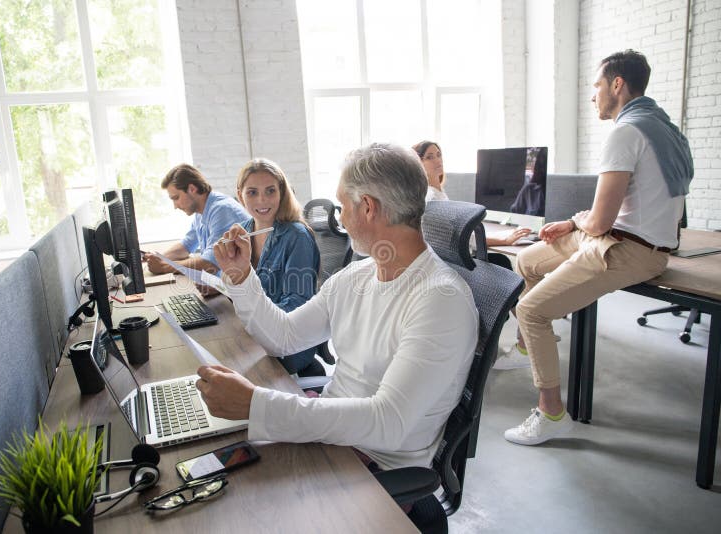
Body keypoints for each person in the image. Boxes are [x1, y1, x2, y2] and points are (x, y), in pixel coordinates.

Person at [195, 143, 479, 471]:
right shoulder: (355, 276)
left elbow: (387, 423)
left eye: (342, 206)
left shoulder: (440, 302)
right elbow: (283, 337)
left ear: (368, 207)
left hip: (373, 470)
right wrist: (242, 277)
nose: (341, 218)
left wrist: (257, 405)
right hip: (329, 440)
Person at [503, 50, 693, 445]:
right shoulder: (665, 128)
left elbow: (603, 221)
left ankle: (551, 412)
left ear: (617, 85)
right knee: (526, 259)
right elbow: (615, 209)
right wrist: (573, 223)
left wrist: (582, 222)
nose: (594, 96)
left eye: (597, 87)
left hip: (628, 249)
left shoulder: (626, 132)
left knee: (530, 309)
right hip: (620, 236)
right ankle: (531, 347)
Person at [234, 158, 321, 376]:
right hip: (255, 334)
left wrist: (254, 324)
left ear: (281, 192)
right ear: (240, 195)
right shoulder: (243, 231)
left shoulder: (296, 237)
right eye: (252, 192)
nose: (262, 200)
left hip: (288, 345)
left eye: (270, 191)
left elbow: (296, 305)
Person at [413, 140, 532, 247]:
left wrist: (501, 235)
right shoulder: (432, 198)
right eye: (430, 157)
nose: (438, 160)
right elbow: (459, 239)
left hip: (450, 261)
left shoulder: (437, 193)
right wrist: (504, 240)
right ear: (419, 163)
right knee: (504, 261)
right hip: (456, 264)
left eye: (439, 155)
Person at [144, 164, 249, 278]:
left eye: (176, 198)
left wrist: (164, 267)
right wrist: (160, 258)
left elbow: (210, 263)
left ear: (192, 189)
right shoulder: (201, 211)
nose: (175, 206)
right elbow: (186, 246)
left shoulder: (222, 210)